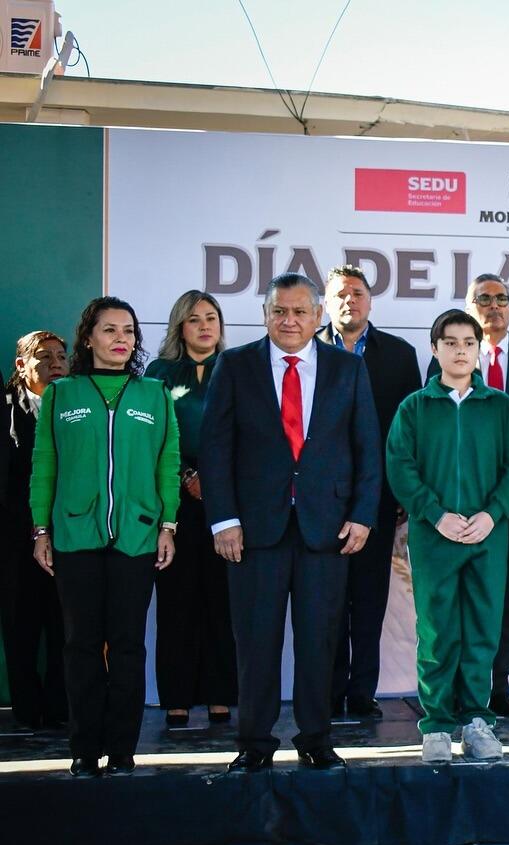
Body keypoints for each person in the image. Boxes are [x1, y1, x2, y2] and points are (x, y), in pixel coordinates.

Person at [200, 272, 381, 773]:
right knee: (256, 641)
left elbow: (367, 446)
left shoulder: (346, 369)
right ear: (265, 315)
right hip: (254, 531)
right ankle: (254, 742)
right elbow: (215, 450)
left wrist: (363, 515)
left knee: (320, 641)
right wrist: (224, 521)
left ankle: (316, 740)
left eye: (301, 311)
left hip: (327, 529)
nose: (290, 320)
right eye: (280, 311)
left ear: (318, 316)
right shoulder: (236, 366)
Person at [30, 298, 179, 776]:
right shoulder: (62, 394)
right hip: (75, 535)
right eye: (110, 329)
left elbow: (168, 466)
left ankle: (121, 750)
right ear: (89, 337)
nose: (121, 339)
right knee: (81, 646)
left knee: (129, 645)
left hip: (135, 538)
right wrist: (41, 529)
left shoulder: (155, 394)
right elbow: (44, 467)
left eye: (129, 331)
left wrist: (168, 525)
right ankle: (84, 749)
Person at [387, 309, 509, 763]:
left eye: (469, 342)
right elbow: (400, 466)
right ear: (435, 349)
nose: (460, 350)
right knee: (437, 631)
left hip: (488, 538)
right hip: (435, 538)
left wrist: (492, 514)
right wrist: (434, 513)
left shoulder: (500, 407)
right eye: (450, 342)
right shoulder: (414, 407)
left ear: (479, 348)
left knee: (483, 630)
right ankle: (436, 726)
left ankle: (477, 721)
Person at [427, 274, 509, 721]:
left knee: (500, 597)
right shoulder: (444, 363)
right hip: (452, 507)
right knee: (452, 601)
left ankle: (497, 687)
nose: (494, 306)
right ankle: (453, 689)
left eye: (502, 299)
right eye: (484, 299)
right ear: (470, 307)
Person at [318, 265, 421, 720]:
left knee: (369, 597)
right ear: (326, 301)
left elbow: (410, 433)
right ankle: (327, 690)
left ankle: (362, 693)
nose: (349, 301)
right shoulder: (305, 349)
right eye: (340, 294)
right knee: (325, 600)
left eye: (357, 294)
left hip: (377, 498)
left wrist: (401, 492)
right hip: (319, 499)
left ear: (370, 301)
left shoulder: (398, 355)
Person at [145, 291, 237, 729]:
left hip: (229, 500)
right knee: (177, 601)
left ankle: (221, 695)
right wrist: (186, 476)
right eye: (195, 319)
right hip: (174, 500)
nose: (205, 325)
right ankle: (176, 698)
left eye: (212, 317)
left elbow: (250, 433)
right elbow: (154, 436)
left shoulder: (238, 367)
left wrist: (217, 482)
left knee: (222, 601)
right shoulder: (160, 373)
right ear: (179, 326)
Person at [1, 331, 68, 732]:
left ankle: (61, 709)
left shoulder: (78, 405)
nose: (56, 363)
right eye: (44, 356)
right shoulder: (7, 407)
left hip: (69, 533)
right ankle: (26, 712)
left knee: (66, 626)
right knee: (20, 623)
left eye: (62, 356)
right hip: (13, 537)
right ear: (21, 365)